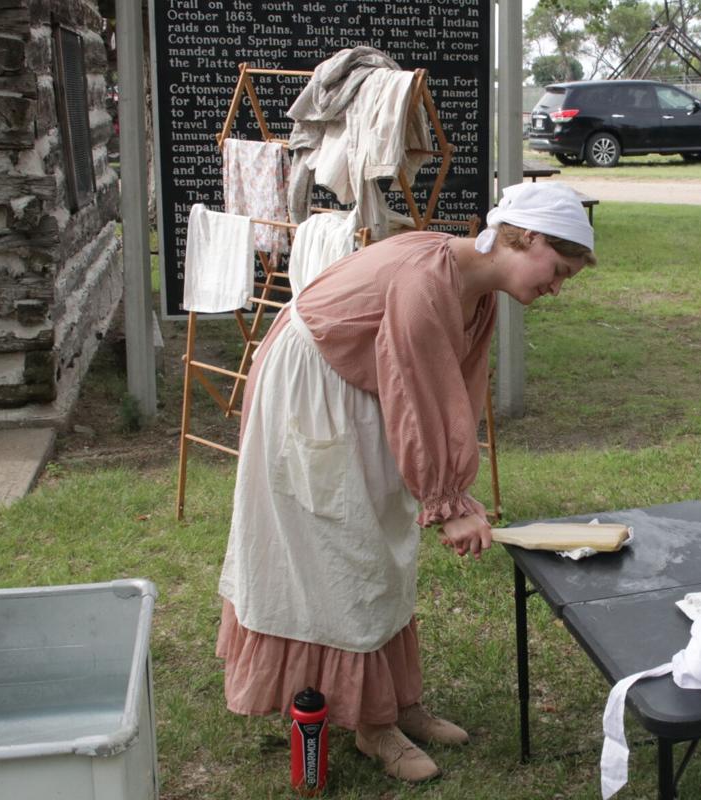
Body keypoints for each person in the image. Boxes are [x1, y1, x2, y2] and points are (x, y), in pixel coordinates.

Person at [215, 182, 596, 782]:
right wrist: (446, 504)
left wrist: (453, 486)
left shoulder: (479, 292)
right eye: (559, 269)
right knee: (348, 547)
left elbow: (452, 393)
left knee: (384, 543)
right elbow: (416, 389)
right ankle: (372, 727)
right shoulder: (427, 280)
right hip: (314, 387)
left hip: (360, 387)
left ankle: (396, 703)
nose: (556, 285)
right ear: (525, 238)